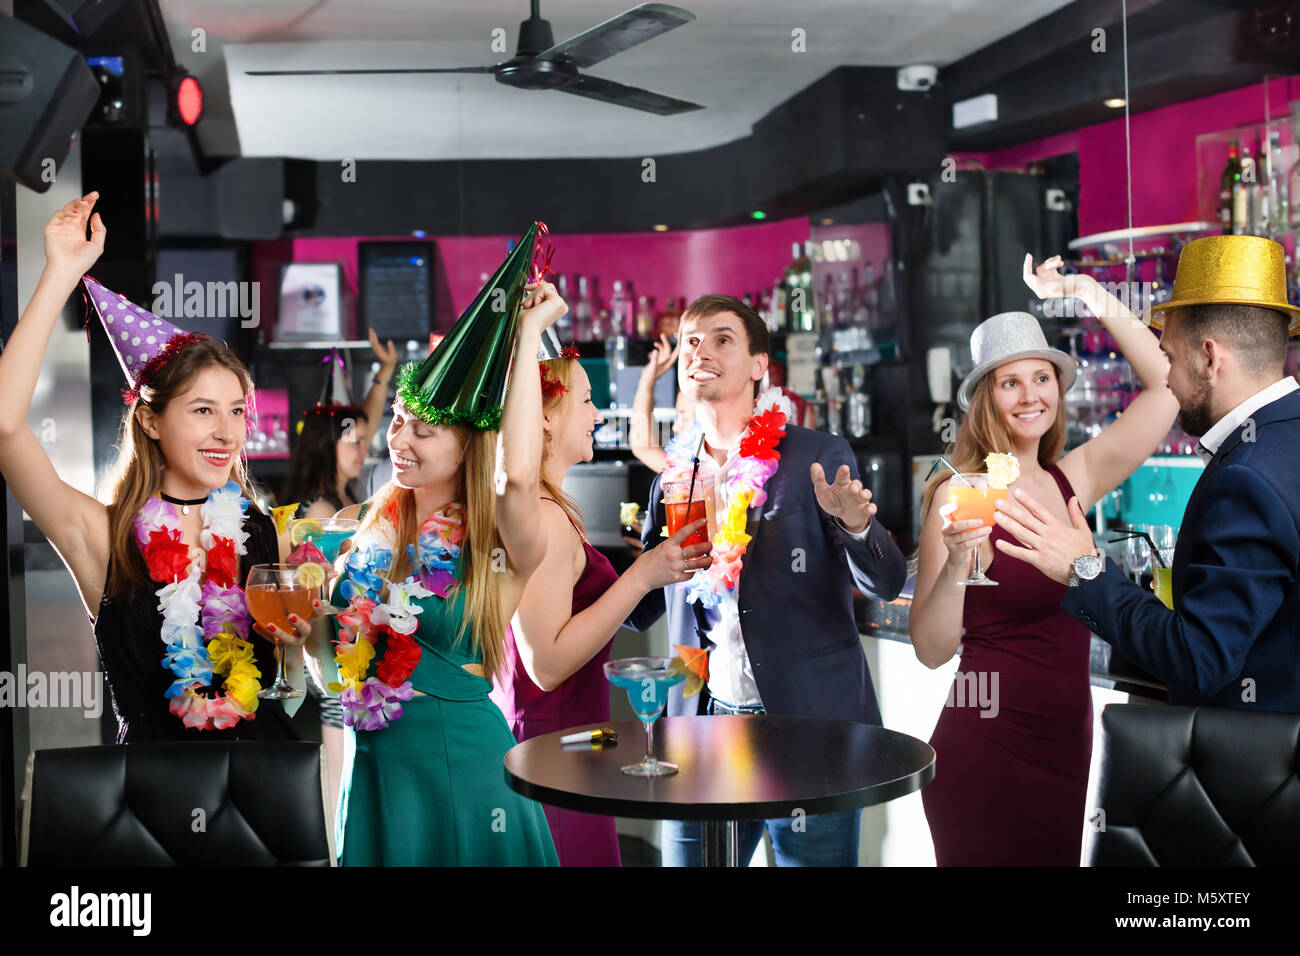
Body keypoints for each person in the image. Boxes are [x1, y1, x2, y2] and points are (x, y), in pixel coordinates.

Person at [0, 192, 314, 742]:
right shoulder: (102, 534)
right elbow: (5, 426)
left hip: (264, 794)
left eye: (236, 411)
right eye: (202, 411)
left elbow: (297, 677)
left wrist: (303, 645)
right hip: (152, 799)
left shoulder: (260, 532)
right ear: (149, 422)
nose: (227, 432)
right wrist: (61, 273)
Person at [909, 253, 1179, 866]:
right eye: (1010, 382)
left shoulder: (1073, 478)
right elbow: (930, 649)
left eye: (1042, 378)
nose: (1030, 395)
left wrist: (1084, 290)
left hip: (1066, 747)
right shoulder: (960, 493)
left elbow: (1167, 384)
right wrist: (956, 567)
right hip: (984, 745)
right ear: (985, 399)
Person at [305, 226, 561, 865]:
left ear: (468, 446)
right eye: (397, 420)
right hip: (375, 771)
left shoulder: (498, 538)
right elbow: (332, 677)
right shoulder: (363, 527)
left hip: (462, 773)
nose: (400, 439)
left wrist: (527, 339)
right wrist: (305, 633)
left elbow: (520, 475)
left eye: (425, 430)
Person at [626, 293, 907, 867]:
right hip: (702, 736)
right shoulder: (675, 475)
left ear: (760, 365)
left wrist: (857, 526)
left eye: (721, 338)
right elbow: (641, 608)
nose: (699, 350)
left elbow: (884, 580)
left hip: (811, 731)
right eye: (690, 341)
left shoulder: (816, 455)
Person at [994, 235, 1300, 714]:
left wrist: (1085, 570)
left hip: (1255, 775)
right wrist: (1088, 290)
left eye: (1172, 358)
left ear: (1211, 358)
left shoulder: (1248, 479)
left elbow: (1200, 658)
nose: (1168, 378)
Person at [493, 348, 713, 866]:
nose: (597, 415)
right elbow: (544, 665)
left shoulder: (547, 508)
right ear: (545, 418)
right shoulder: (544, 518)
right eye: (589, 402)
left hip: (566, 754)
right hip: (552, 765)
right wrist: (642, 575)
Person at [281, 332, 398, 522]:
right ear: (326, 444)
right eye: (357, 443)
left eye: (363, 442)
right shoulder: (321, 510)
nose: (365, 452)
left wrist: (386, 369)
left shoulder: (347, 491)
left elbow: (362, 427)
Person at [629, 333, 695, 473]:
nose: (676, 427)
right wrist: (647, 380)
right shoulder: (685, 469)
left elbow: (643, 447)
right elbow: (643, 447)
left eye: (685, 416)